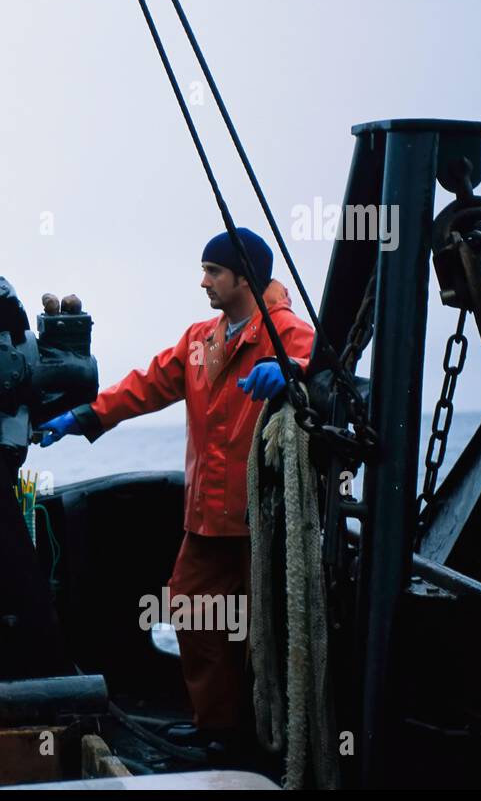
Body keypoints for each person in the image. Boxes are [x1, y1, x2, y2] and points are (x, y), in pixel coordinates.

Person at [38, 227, 314, 752]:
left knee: (267, 631)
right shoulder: (198, 341)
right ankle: (219, 728)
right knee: (191, 609)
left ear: (244, 277)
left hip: (265, 520)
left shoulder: (287, 334)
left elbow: (328, 377)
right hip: (207, 518)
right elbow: (147, 385)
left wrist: (294, 373)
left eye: (213, 271)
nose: (203, 281)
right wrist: (86, 415)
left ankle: (276, 735)